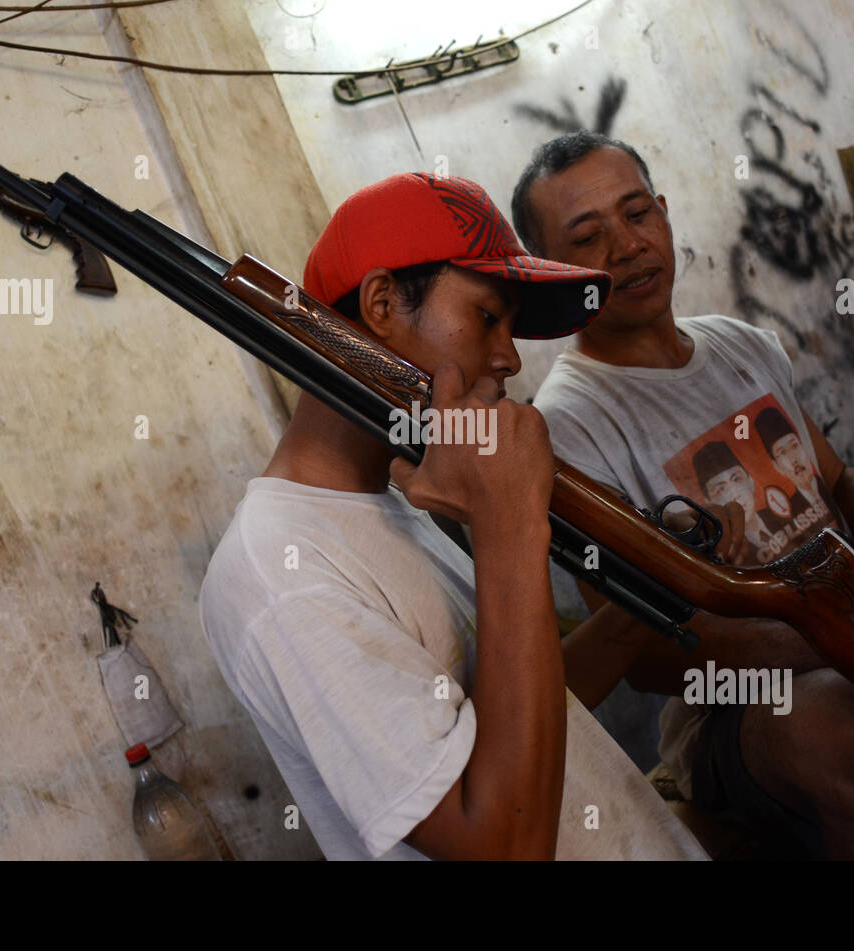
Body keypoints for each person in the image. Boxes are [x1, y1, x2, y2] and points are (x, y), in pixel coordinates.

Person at [510, 131, 854, 858]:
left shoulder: (742, 343)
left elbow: (842, 489)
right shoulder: (569, 424)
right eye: (588, 235)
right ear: (547, 271)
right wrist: (836, 644)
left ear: (665, 214)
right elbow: (650, 655)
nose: (627, 245)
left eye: (637, 213)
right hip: (735, 707)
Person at [198, 171, 707, 861]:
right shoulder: (277, 569)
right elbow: (501, 844)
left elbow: (523, 714)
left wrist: (643, 609)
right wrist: (509, 525)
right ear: (381, 302)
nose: (509, 356)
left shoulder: (390, 500)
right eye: (488, 317)